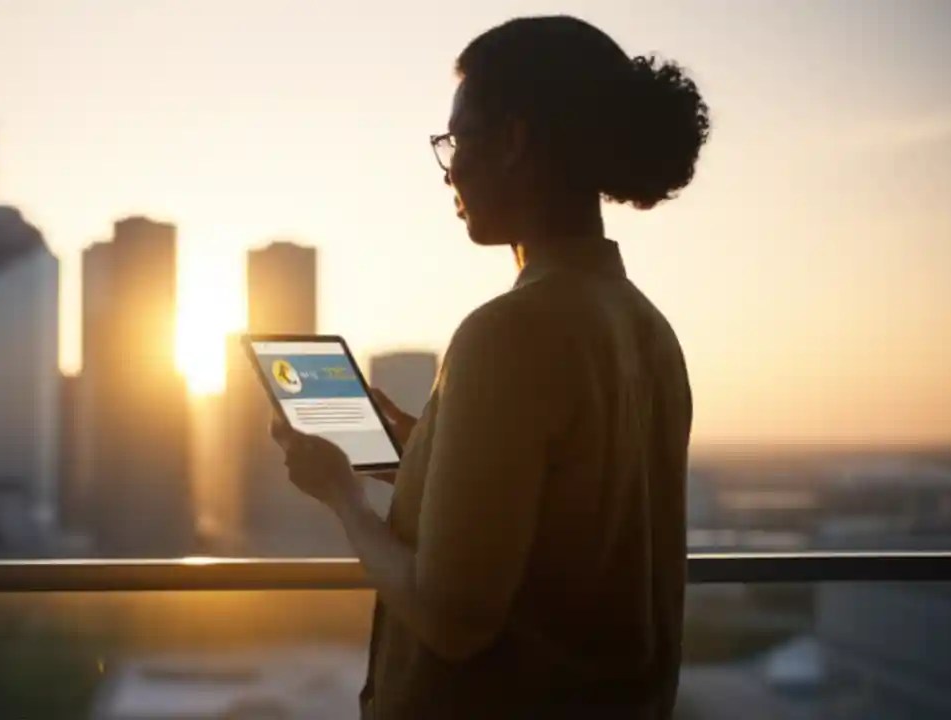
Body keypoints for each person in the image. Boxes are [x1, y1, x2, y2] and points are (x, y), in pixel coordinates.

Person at [272, 14, 709, 719]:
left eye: (458, 139)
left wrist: (343, 496)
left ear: (513, 142)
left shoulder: (508, 334)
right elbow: (563, 515)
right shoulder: (648, 328)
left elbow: (450, 619)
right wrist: (422, 455)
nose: (449, 168)